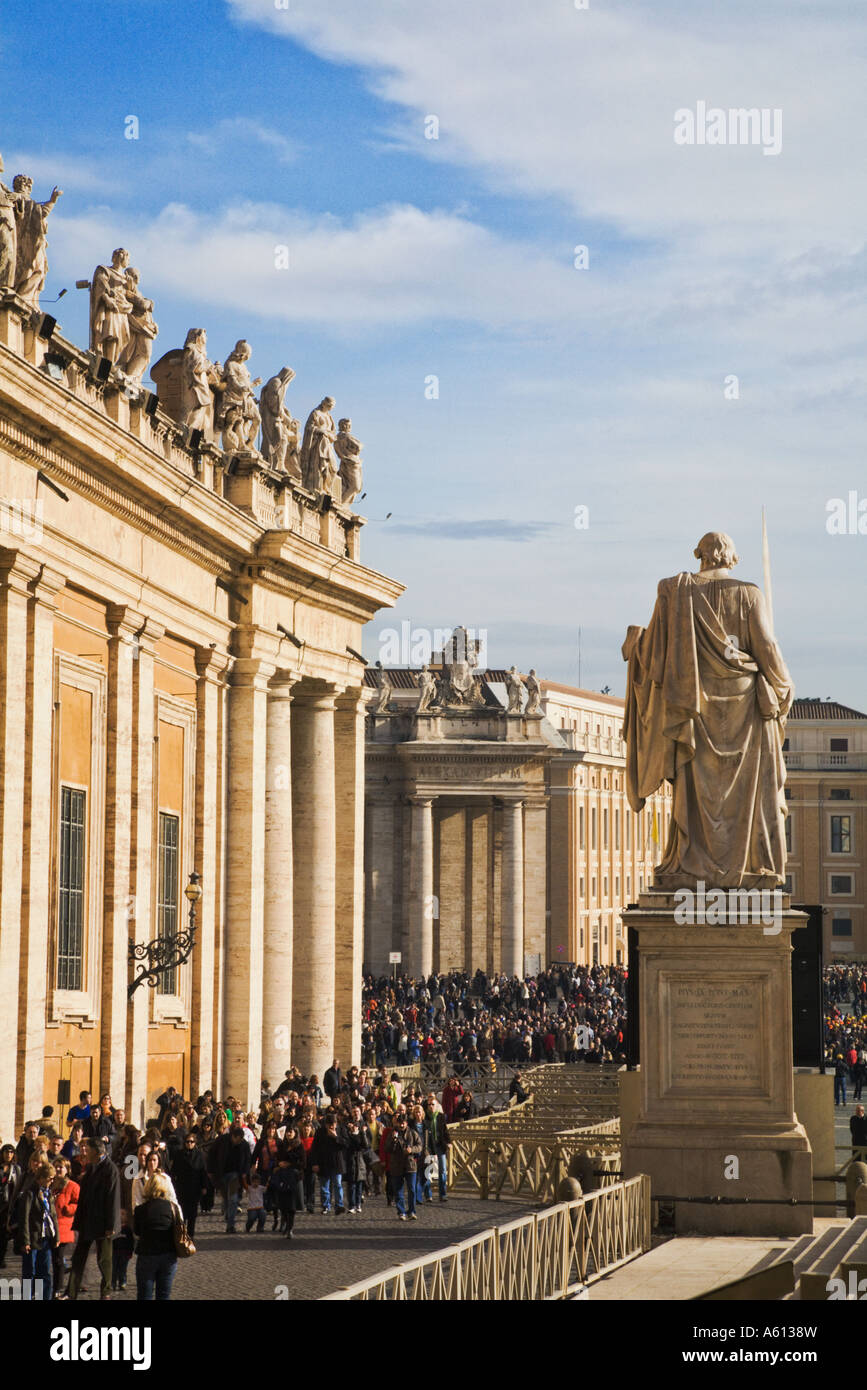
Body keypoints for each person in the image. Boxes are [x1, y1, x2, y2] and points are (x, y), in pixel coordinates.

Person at [66, 1136, 120, 1301]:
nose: (84, 1153)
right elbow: (84, 1195)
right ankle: (71, 1292)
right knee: (78, 1257)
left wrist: (111, 1225)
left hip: (103, 1223)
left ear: (96, 1152)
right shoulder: (91, 1167)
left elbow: (113, 1199)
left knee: (104, 1259)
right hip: (87, 1220)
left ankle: (106, 1292)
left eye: (87, 1150)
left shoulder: (110, 1169)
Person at [133, 1172, 178, 1301]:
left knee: (144, 1295)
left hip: (147, 1254)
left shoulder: (140, 1209)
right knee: (164, 1295)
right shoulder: (172, 1208)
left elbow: (137, 1231)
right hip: (168, 1256)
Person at [20, 1160, 58, 1301]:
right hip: (32, 1238)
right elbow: (24, 1218)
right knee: (30, 1272)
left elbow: (53, 1216)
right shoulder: (30, 1194)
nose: (52, 1181)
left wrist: (56, 1237)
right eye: (49, 1179)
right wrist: (25, 1241)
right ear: (41, 1178)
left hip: (45, 1238)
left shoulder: (48, 1193)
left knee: (45, 1272)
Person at [214, 1121, 252, 1233]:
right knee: (226, 1198)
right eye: (238, 1139)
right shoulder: (222, 1140)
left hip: (235, 1175)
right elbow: (212, 1154)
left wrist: (245, 1172)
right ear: (233, 1136)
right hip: (221, 1174)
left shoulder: (244, 1144)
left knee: (233, 1199)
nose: (239, 1142)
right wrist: (211, 1171)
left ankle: (230, 1224)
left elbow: (247, 1159)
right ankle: (228, 1214)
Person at [50, 1156, 78, 1298]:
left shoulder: (72, 1186)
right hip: (49, 1227)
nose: (58, 1169)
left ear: (67, 1170)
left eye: (61, 1167)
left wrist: (69, 1208)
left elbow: (78, 1204)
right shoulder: (50, 1183)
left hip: (63, 1227)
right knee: (52, 1259)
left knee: (58, 1260)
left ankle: (58, 1287)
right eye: (56, 1166)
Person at [309, 1112, 348, 1215]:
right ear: (325, 1124)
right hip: (323, 1163)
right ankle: (326, 1206)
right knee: (324, 1187)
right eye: (329, 1124)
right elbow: (314, 1149)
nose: (331, 1126)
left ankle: (339, 1205)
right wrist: (315, 1163)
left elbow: (346, 1144)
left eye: (333, 1124)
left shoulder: (341, 1130)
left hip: (337, 1163)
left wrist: (336, 1137)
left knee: (338, 1185)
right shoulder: (320, 1132)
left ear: (336, 1123)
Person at [170, 1134, 208, 1238]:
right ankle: (182, 1234)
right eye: (187, 1142)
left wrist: (204, 1186)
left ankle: (191, 1235)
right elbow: (174, 1171)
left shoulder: (199, 1155)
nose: (189, 1144)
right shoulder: (179, 1154)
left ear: (195, 1143)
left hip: (194, 1188)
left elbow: (203, 1171)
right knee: (182, 1213)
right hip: (182, 1188)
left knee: (192, 1214)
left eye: (192, 1142)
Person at [386, 1114, 422, 1221]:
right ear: (396, 1123)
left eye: (403, 1123)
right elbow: (387, 1148)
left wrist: (412, 1150)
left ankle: (412, 1211)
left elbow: (420, 1146)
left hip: (410, 1165)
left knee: (412, 1189)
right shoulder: (392, 1134)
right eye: (400, 1123)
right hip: (396, 1165)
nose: (401, 1125)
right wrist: (394, 1140)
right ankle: (401, 1212)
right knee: (398, 1190)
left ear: (406, 1123)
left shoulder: (412, 1133)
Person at [424, 1100, 451, 1203]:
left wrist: (448, 1142)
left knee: (442, 1169)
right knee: (427, 1171)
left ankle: (442, 1194)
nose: (431, 1106)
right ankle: (428, 1195)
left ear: (436, 1106)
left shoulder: (440, 1116)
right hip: (429, 1146)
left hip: (440, 1144)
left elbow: (445, 1130)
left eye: (433, 1104)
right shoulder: (425, 1117)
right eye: (429, 1105)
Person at [0, 1144, 22, 1269]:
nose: (8, 1154)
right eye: (6, 1152)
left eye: (11, 1152)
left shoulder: (16, 1169)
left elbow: (18, 1186)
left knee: (5, 1234)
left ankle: (2, 1257)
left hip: (9, 1203)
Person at [111, 1214, 135, 1292]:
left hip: (124, 1252)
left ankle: (122, 1283)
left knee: (123, 1269)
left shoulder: (127, 1229)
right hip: (115, 1252)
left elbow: (131, 1241)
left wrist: (130, 1252)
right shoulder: (114, 1229)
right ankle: (113, 1283)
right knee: (114, 1269)